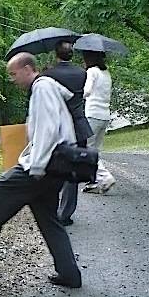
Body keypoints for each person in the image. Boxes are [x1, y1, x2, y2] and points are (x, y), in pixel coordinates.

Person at [0, 52, 82, 288]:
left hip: (45, 164)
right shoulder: (46, 89)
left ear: (28, 69)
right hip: (57, 165)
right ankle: (70, 274)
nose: (13, 79)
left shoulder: (42, 89)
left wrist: (37, 165)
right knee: (49, 219)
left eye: (14, 74)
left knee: (0, 189)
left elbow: (48, 131)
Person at [43, 40, 92, 226]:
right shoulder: (82, 73)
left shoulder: (49, 74)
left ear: (56, 54)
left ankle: (52, 210)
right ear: (72, 55)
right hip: (79, 126)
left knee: (53, 169)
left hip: (58, 127)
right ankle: (65, 214)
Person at [81, 51, 116, 194]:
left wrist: (78, 94)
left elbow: (87, 91)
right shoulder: (106, 73)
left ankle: (105, 177)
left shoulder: (92, 71)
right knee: (96, 150)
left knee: (87, 150)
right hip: (105, 115)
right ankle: (94, 181)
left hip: (93, 114)